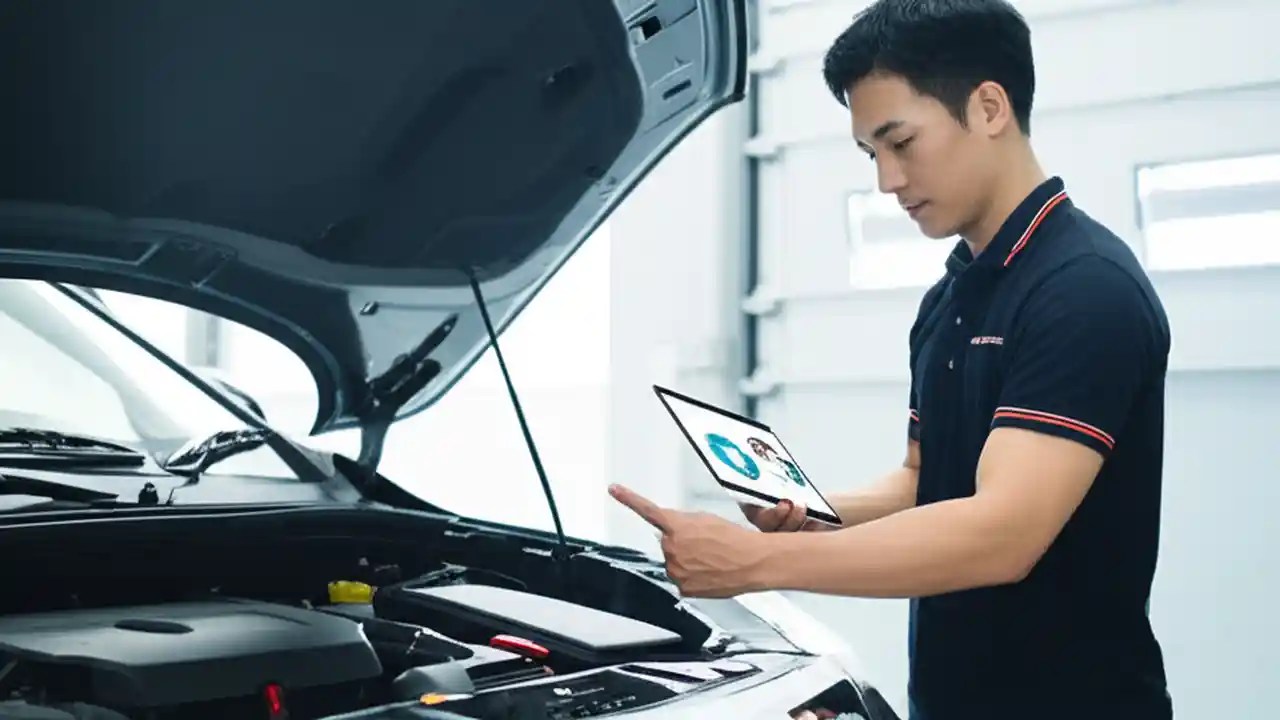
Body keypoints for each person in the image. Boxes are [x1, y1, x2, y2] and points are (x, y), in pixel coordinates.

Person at [608, 1, 1173, 718]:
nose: (886, 181)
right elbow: (925, 480)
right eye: (871, 154)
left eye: (900, 142)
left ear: (990, 107)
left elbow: (1003, 534)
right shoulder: (950, 297)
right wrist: (816, 513)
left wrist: (755, 564)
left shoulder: (1085, 289)